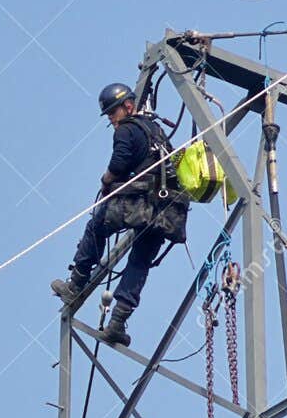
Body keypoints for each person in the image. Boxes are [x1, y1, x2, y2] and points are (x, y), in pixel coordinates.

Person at [51, 81, 189, 347]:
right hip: (168, 211)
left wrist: (107, 180)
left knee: (97, 226)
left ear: (128, 105)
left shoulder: (127, 129)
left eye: (113, 113)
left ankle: (76, 283)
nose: (113, 120)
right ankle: (117, 323)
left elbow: (119, 162)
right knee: (139, 263)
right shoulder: (157, 131)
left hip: (141, 204)